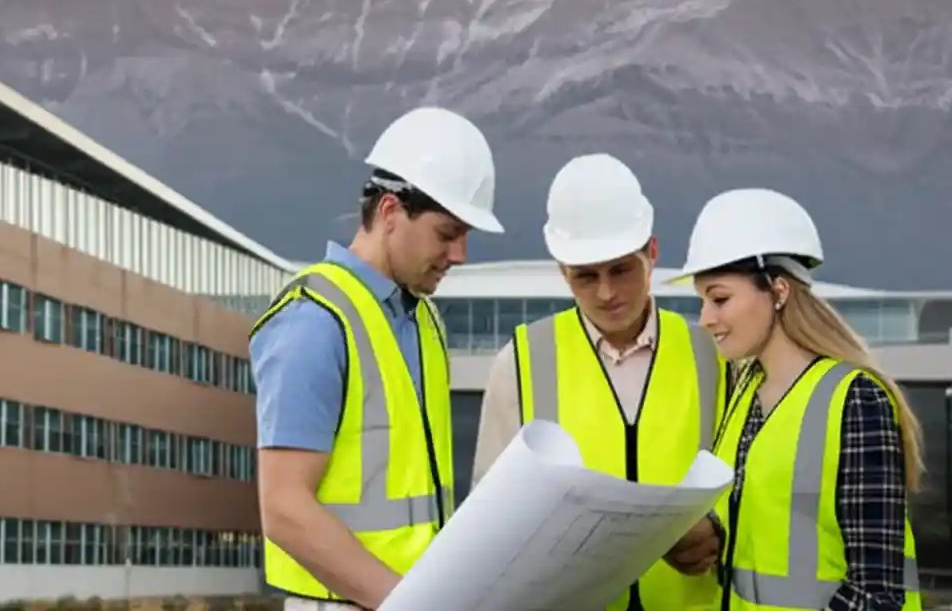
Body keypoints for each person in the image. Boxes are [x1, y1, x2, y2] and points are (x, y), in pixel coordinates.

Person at [250, 106, 504, 610]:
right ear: (390, 212)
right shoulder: (314, 321)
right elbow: (283, 507)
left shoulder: (421, 321)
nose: (460, 255)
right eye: (447, 234)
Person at [472, 152, 729, 611]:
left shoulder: (713, 354)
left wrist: (717, 527)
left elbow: (752, 477)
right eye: (586, 277)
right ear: (562, 272)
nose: (607, 292)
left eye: (621, 270)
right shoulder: (519, 363)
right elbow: (488, 521)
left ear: (652, 253)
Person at [669, 188, 924, 610]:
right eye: (703, 302)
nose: (707, 319)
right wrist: (707, 533)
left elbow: (877, 592)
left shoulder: (856, 401)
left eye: (719, 299)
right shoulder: (745, 393)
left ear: (779, 290)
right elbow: (769, 521)